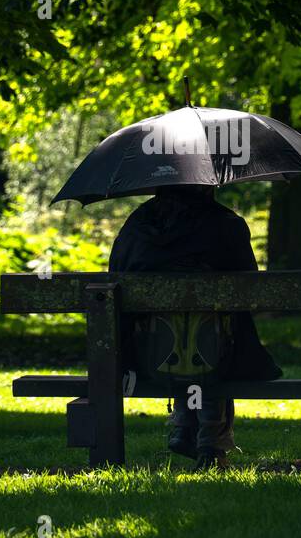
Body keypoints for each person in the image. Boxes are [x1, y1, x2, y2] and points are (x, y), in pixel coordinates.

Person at [108, 184, 282, 469]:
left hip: (149, 356)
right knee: (216, 340)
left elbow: (115, 274)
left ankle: (184, 426)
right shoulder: (226, 224)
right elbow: (250, 286)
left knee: (181, 334)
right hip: (216, 353)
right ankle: (210, 443)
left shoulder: (137, 225)